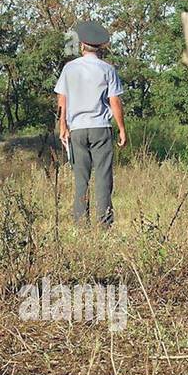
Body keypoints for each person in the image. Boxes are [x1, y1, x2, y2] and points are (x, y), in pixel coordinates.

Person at [55, 20, 125, 226]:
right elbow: (114, 101)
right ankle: (104, 223)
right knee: (103, 176)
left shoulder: (69, 68)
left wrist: (62, 126)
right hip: (101, 128)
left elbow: (62, 99)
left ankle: (80, 224)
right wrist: (121, 128)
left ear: (82, 44)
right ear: (101, 46)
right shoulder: (107, 69)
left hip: (76, 129)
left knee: (80, 178)